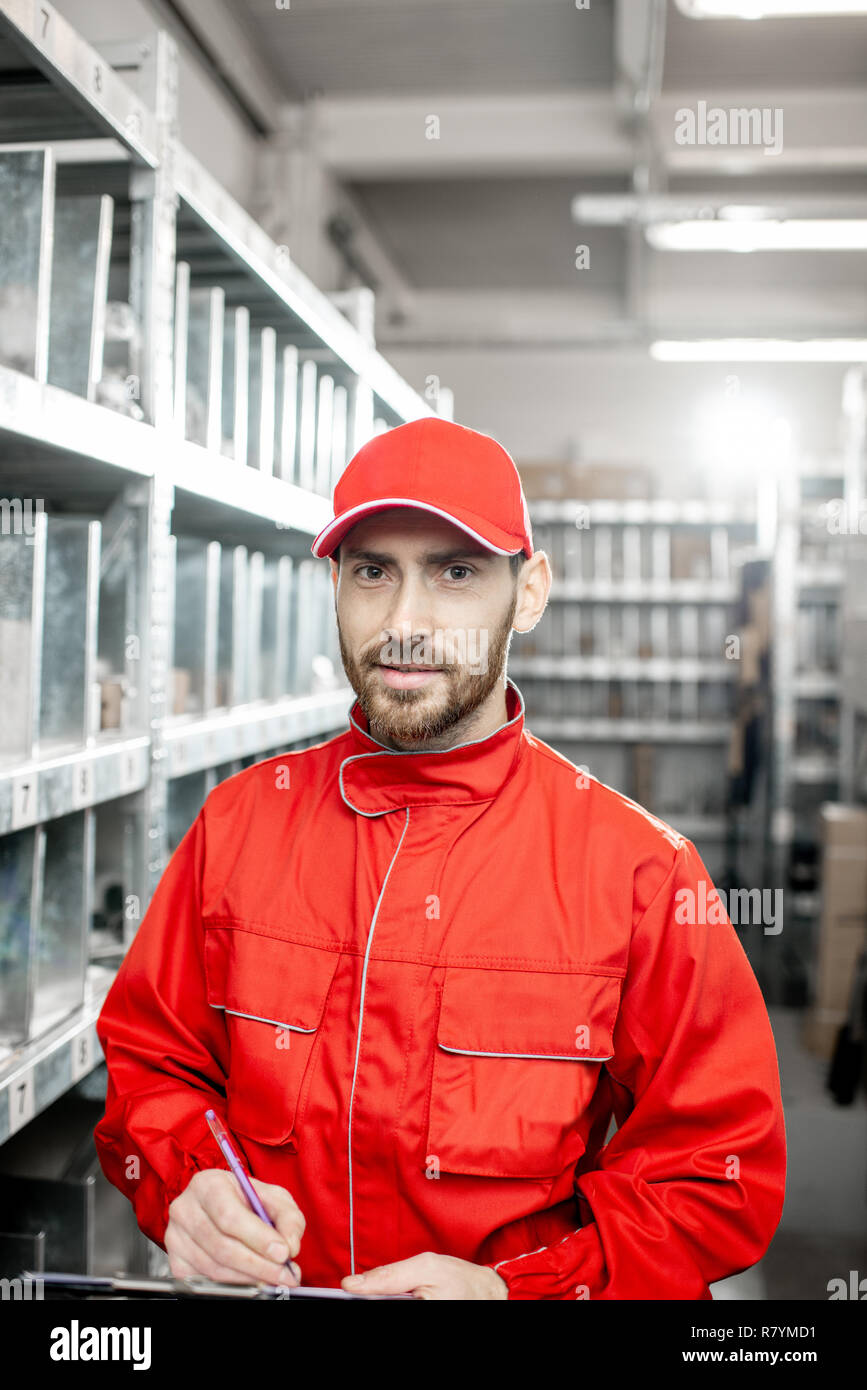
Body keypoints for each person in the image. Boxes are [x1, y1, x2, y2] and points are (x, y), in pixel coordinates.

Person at [93, 417, 786, 1300]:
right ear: (333, 585)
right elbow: (152, 1066)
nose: (404, 622)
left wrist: (521, 1291)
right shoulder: (237, 827)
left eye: (454, 572)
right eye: (371, 572)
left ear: (528, 592)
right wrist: (186, 1179)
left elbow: (714, 1178)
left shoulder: (640, 876)